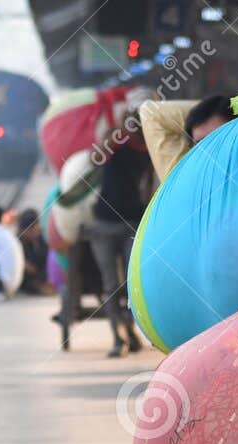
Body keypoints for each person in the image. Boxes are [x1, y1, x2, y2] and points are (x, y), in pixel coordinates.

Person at [88, 118, 152, 356]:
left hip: (132, 222)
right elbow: (97, 157)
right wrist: (120, 128)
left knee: (131, 284)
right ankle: (119, 337)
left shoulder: (148, 149)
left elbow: (148, 185)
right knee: (111, 285)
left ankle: (129, 331)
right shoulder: (114, 145)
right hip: (105, 223)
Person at [139, 93, 235, 184]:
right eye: (200, 144)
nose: (209, 150)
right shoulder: (189, 189)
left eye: (218, 138)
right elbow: (151, 114)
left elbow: (152, 114)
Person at [13, 208, 52, 296]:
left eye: (35, 230)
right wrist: (24, 264)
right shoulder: (18, 241)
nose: (34, 233)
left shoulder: (42, 237)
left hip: (41, 273)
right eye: (30, 231)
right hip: (26, 278)